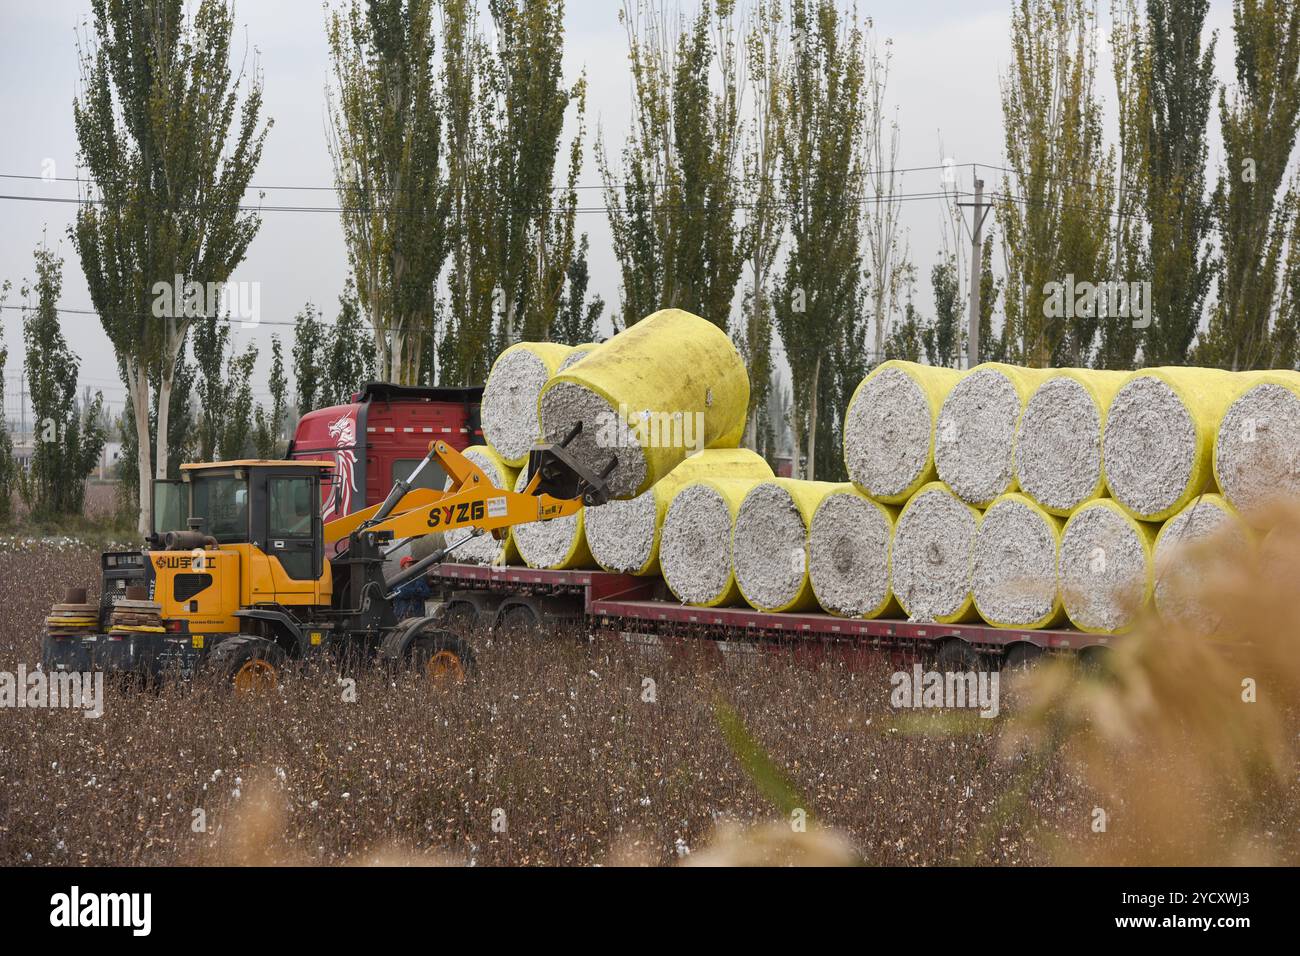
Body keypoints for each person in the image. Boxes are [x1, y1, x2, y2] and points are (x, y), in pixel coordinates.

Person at [391, 555, 433, 619]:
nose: (412, 566)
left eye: (413, 564)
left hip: (418, 617)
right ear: (403, 567)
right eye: (409, 564)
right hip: (402, 617)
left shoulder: (419, 579)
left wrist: (413, 591)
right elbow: (402, 593)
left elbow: (427, 594)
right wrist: (417, 591)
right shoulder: (397, 580)